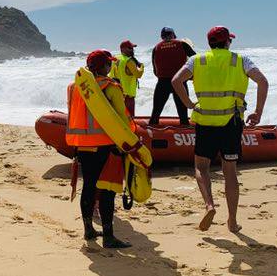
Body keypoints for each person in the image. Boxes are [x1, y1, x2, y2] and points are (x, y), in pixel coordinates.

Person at [172, 26, 268, 233]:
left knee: (201, 167)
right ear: (227, 42)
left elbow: (175, 80)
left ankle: (209, 205)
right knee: (230, 172)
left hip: (205, 121)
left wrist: (189, 103)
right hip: (231, 123)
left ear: (209, 43)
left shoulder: (197, 60)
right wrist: (258, 112)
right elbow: (262, 81)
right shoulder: (240, 60)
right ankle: (232, 221)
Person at [65, 49, 133, 248]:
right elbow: (123, 118)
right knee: (107, 190)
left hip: (82, 144)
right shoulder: (110, 86)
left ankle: (88, 230)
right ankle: (109, 236)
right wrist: (132, 140)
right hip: (106, 145)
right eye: (108, 64)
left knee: (89, 186)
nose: (111, 67)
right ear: (104, 66)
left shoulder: (74, 87)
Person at [149, 27, 196, 126]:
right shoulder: (182, 44)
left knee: (155, 114)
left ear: (162, 37)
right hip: (179, 83)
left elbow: (155, 70)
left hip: (162, 83)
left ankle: (149, 136)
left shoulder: (156, 48)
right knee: (183, 115)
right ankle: (184, 137)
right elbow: (196, 60)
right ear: (173, 35)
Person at [111, 40, 144, 116]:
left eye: (132, 48)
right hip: (128, 95)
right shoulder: (128, 61)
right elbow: (139, 74)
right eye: (129, 48)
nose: (132, 50)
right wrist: (142, 66)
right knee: (130, 117)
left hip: (117, 92)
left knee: (120, 116)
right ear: (122, 49)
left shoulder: (116, 58)